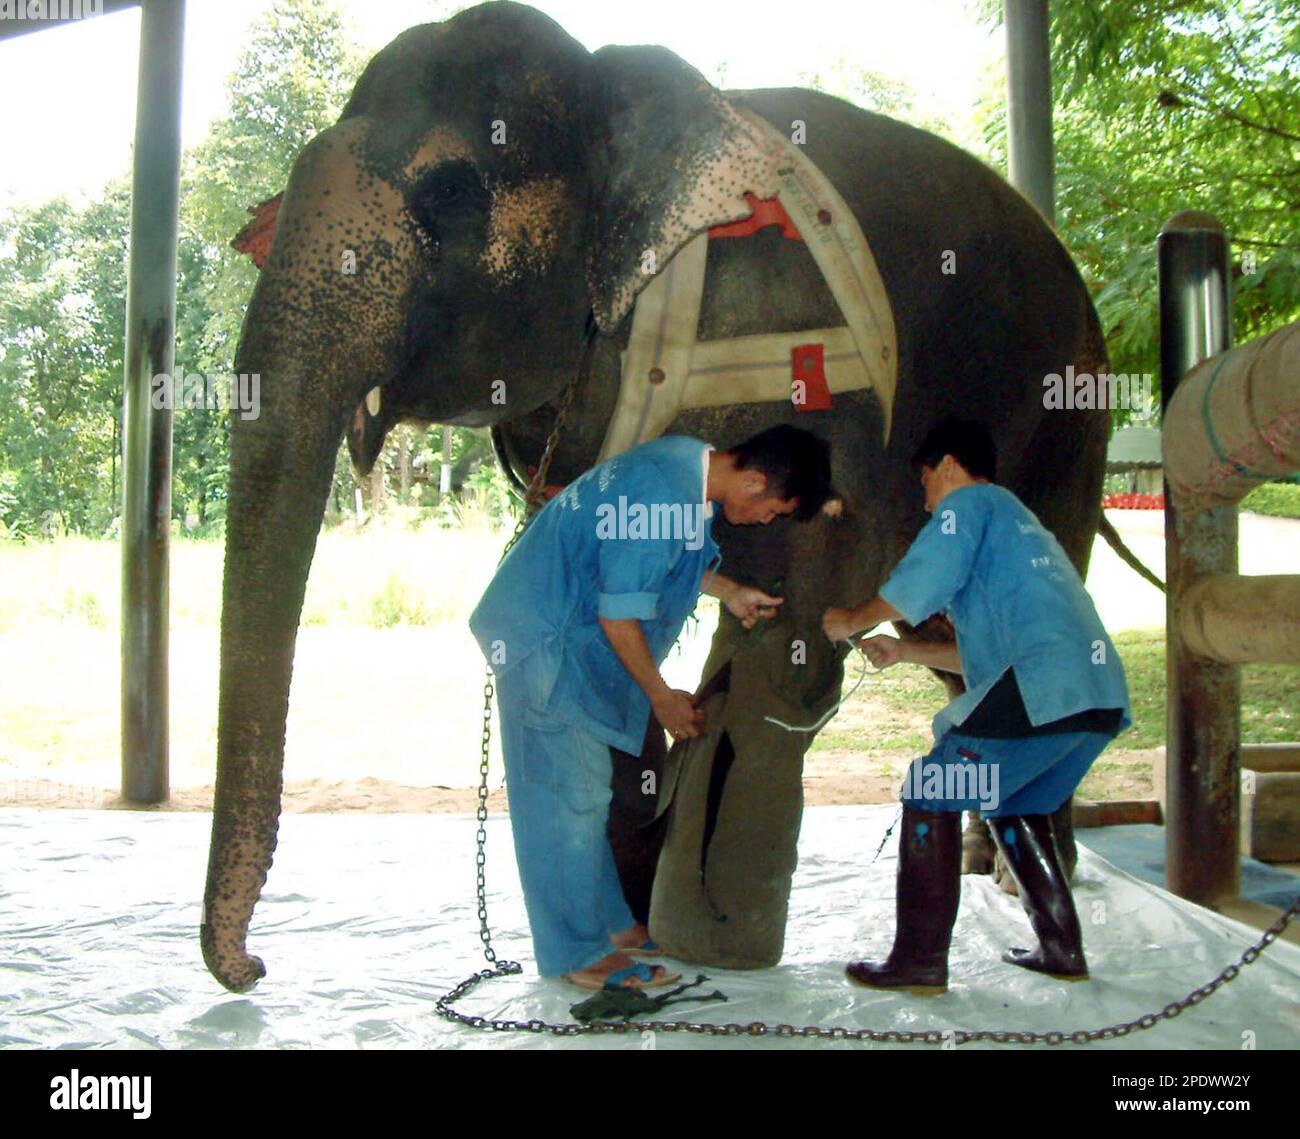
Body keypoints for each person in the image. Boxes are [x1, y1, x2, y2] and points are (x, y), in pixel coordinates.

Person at [471, 426, 833, 990]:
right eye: (772, 511)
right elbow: (620, 616)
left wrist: (730, 591)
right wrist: (661, 698)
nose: (767, 522)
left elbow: (665, 557)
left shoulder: (686, 467)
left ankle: (615, 927)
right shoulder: (661, 495)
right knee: (565, 801)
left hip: (563, 629)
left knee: (585, 795)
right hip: (543, 639)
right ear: (755, 480)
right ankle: (576, 953)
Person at [822, 418, 1130, 994]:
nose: (925, 496)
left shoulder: (968, 505)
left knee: (930, 792)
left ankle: (918, 960)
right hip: (1094, 696)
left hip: (1044, 688)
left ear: (946, 466)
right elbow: (994, 661)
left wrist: (850, 619)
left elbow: (918, 582)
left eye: (924, 481)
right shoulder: (1018, 522)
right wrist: (908, 651)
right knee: (1013, 803)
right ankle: (1062, 948)